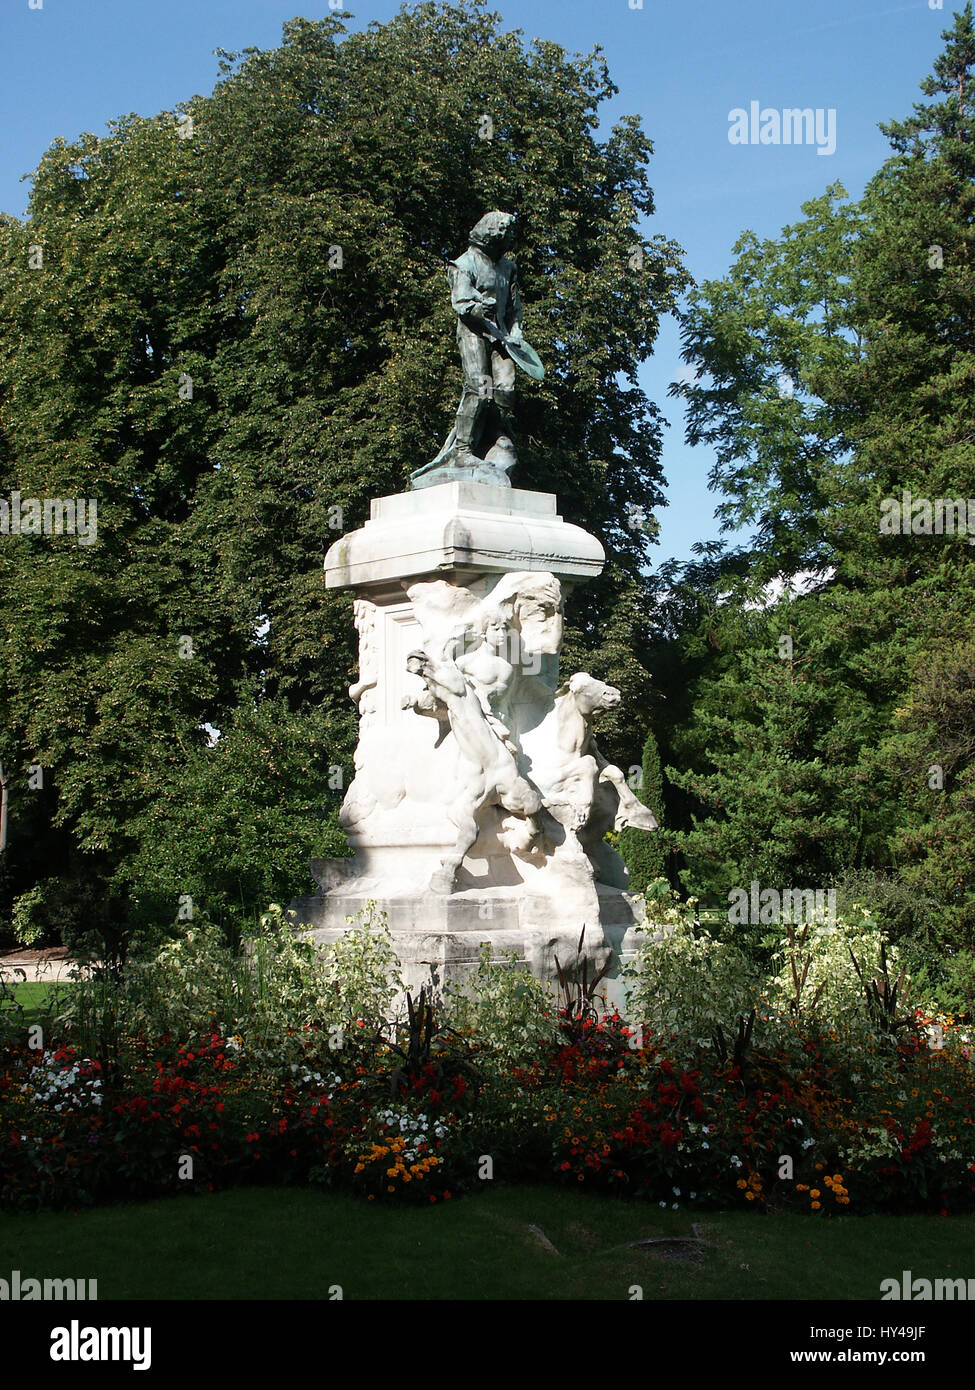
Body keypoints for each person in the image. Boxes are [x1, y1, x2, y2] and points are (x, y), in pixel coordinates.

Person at [413, 210, 525, 484]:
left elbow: (514, 308)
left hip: (501, 336)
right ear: (492, 232)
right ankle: (462, 449)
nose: (511, 237)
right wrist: (479, 307)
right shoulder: (464, 262)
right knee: (479, 386)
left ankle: (494, 433)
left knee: (505, 389)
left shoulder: (508, 267)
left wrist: (516, 331)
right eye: (506, 231)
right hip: (474, 332)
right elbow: (462, 304)